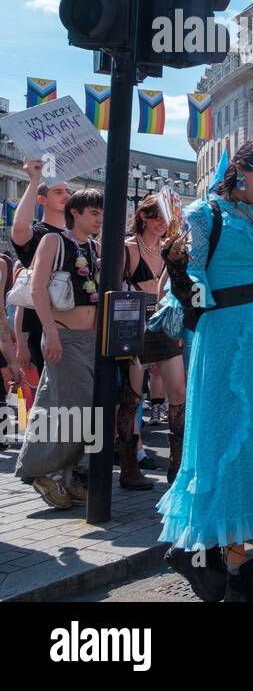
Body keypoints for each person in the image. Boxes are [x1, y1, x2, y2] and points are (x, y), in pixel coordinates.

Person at [158, 136, 253, 602]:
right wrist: (180, 274)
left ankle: (228, 561)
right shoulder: (203, 214)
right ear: (241, 168)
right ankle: (221, 560)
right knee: (223, 444)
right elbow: (190, 288)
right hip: (222, 341)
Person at [14, 189, 104, 509]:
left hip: (89, 339)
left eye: (101, 213)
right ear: (75, 212)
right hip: (62, 335)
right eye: (93, 212)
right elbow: (37, 288)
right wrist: (49, 331)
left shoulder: (95, 247)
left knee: (76, 408)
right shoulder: (53, 241)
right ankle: (40, 470)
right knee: (74, 406)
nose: (99, 218)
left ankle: (66, 476)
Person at [124, 194, 187, 487]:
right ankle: (129, 461)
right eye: (156, 217)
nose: (162, 223)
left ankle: (176, 466)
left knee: (179, 390)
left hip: (162, 321)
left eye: (165, 218)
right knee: (132, 395)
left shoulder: (167, 249)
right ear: (144, 217)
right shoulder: (128, 247)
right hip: (133, 321)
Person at [10, 160, 70, 381]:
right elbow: (19, 228)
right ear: (42, 199)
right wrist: (34, 180)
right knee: (51, 392)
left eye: (67, 191)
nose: (66, 196)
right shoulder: (38, 234)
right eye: (58, 192)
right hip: (41, 326)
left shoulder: (78, 236)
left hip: (73, 325)